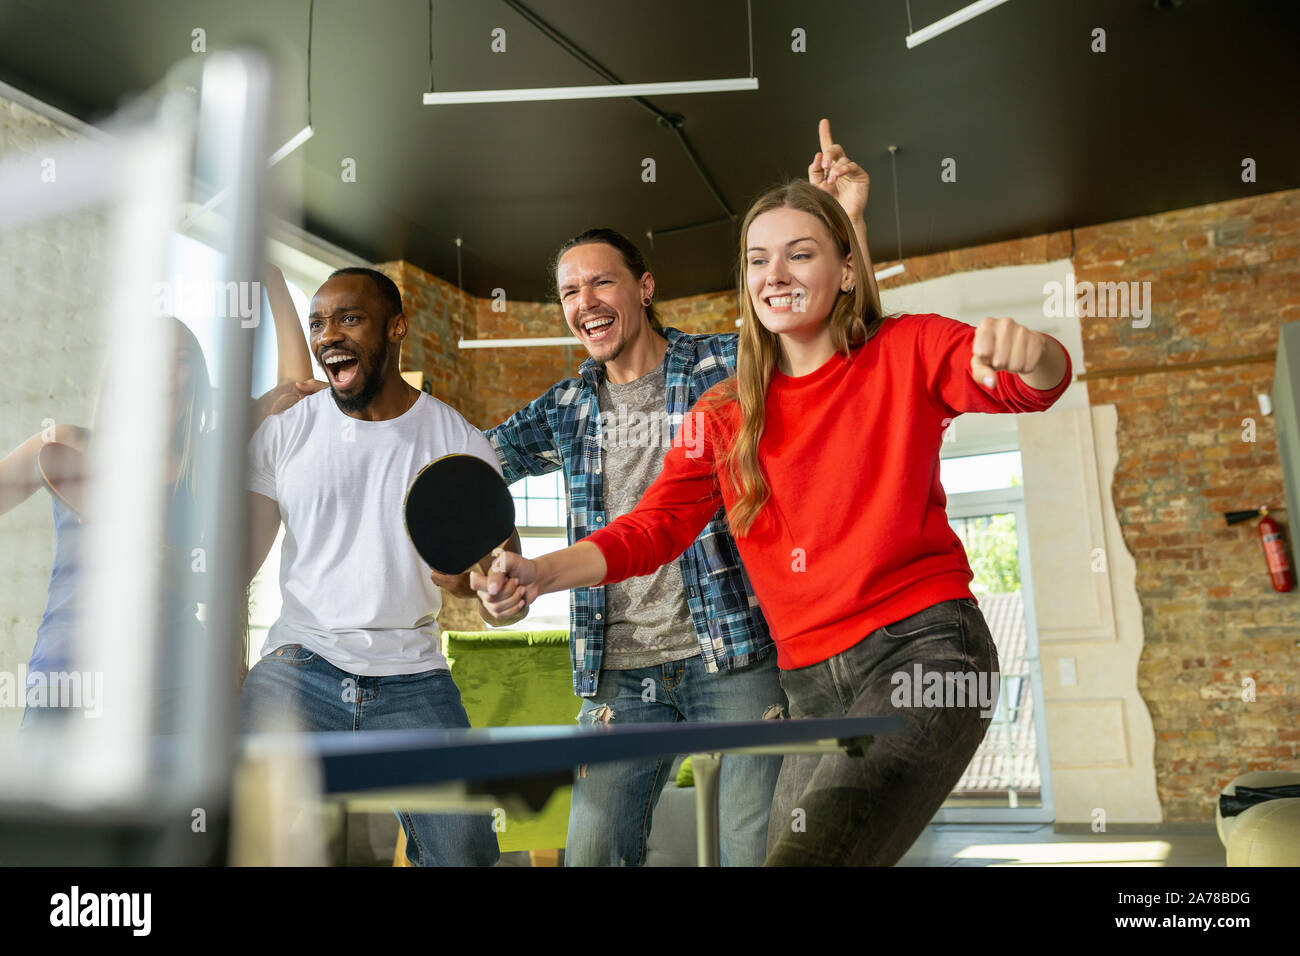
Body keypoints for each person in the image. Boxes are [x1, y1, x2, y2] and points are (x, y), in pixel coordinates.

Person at [474, 177, 1073, 866]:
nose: (774, 275)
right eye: (758, 260)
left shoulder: (904, 350)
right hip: (808, 682)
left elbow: (1032, 385)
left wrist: (1036, 353)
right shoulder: (725, 413)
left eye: (799, 255)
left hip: (921, 652)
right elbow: (653, 529)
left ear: (846, 269)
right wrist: (541, 572)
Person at [431, 120, 880, 867]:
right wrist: (489, 566)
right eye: (570, 291)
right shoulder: (565, 407)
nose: (585, 301)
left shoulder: (721, 365)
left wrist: (847, 223)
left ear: (642, 288)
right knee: (595, 852)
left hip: (733, 654)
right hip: (617, 671)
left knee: (755, 852)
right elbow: (471, 475)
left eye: (601, 281)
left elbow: (843, 340)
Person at [240, 266, 513, 867]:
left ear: (397, 329)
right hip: (298, 666)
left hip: (412, 676)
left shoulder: (457, 439)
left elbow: (501, 580)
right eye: (318, 322)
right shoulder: (286, 432)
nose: (328, 334)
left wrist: (487, 591)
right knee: (233, 824)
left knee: (465, 848)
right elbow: (234, 568)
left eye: (349, 318)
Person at [1, 267, 308, 730]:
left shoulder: (205, 461)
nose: (168, 371)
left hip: (171, 688)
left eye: (182, 359)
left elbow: (298, 398)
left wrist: (276, 285)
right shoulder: (69, 445)